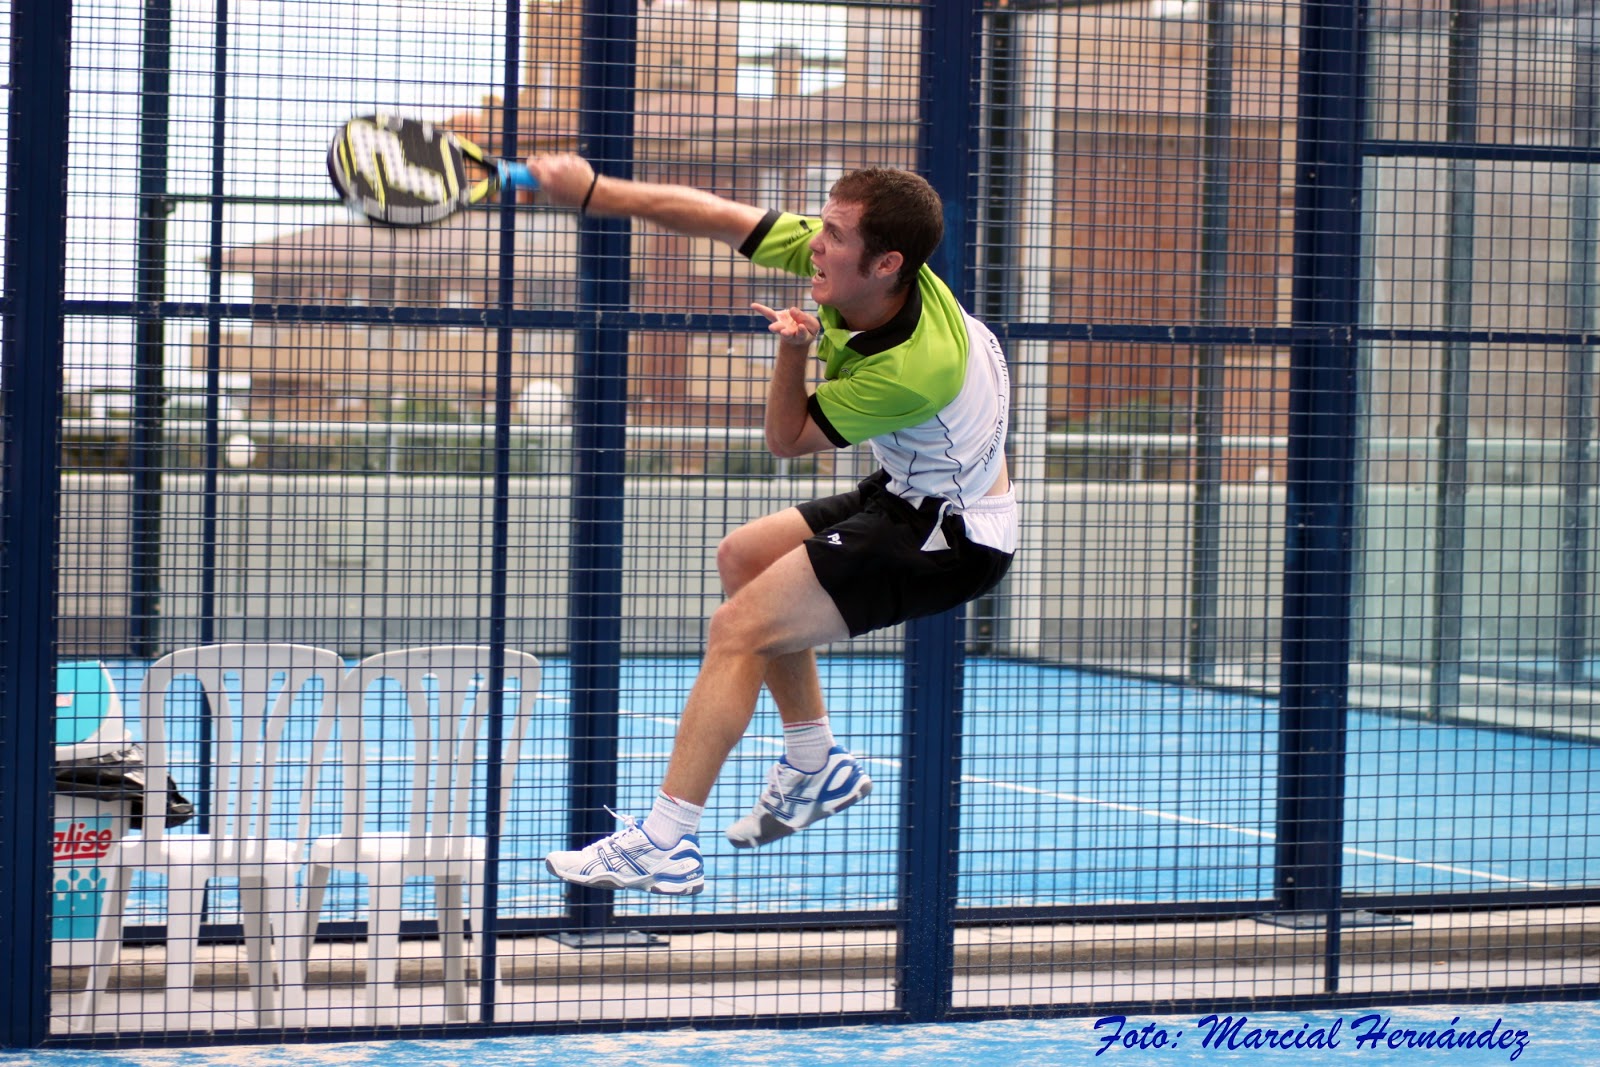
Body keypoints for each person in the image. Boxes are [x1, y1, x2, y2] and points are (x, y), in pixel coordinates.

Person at [530, 155, 1016, 896]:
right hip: (915, 489)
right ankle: (815, 761)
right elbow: (716, 214)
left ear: (886, 262)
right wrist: (594, 191)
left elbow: (786, 440)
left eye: (833, 234)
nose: (814, 244)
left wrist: (792, 351)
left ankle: (665, 841)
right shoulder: (859, 269)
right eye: (819, 225)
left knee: (739, 628)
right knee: (745, 557)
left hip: (952, 537)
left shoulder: (913, 367)